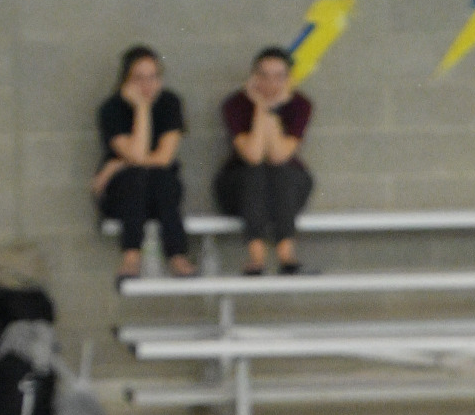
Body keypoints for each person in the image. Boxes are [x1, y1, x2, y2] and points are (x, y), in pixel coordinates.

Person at [92, 46, 195, 280]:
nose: (147, 85)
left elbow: (164, 158)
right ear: (125, 81)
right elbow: (137, 156)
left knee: (162, 178)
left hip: (161, 192)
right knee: (135, 178)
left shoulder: (169, 102)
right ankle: (131, 256)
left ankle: (177, 255)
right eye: (139, 78)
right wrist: (142, 108)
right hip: (121, 194)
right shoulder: (112, 108)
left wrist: (117, 164)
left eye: (153, 77)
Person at [213, 46, 314, 274]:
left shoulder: (301, 105)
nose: (271, 83)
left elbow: (279, 156)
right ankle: (256, 256)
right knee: (254, 172)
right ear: (253, 78)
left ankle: (286, 254)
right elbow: (253, 155)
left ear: (289, 79)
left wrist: (273, 111)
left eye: (279, 77)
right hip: (239, 186)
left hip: (286, 185)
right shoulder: (235, 104)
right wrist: (261, 108)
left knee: (281, 173)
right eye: (264, 76)